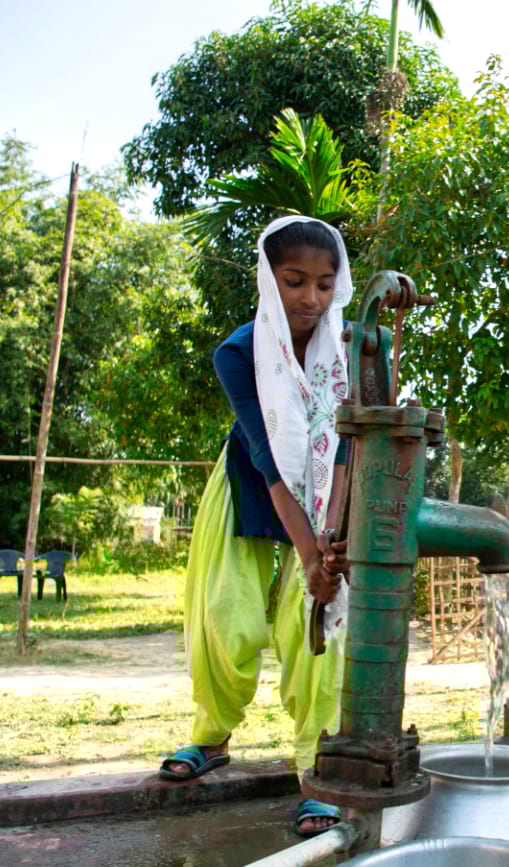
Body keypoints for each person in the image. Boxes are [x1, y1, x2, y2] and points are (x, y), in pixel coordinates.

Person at [159, 216, 355, 838]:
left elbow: (349, 446)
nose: (311, 299)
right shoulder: (238, 353)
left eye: (325, 284)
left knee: (314, 635)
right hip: (249, 489)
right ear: (269, 281)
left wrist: (328, 548)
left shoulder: (349, 348)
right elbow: (269, 457)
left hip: (329, 501)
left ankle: (317, 772)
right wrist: (307, 556)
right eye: (295, 281)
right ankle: (211, 740)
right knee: (227, 620)